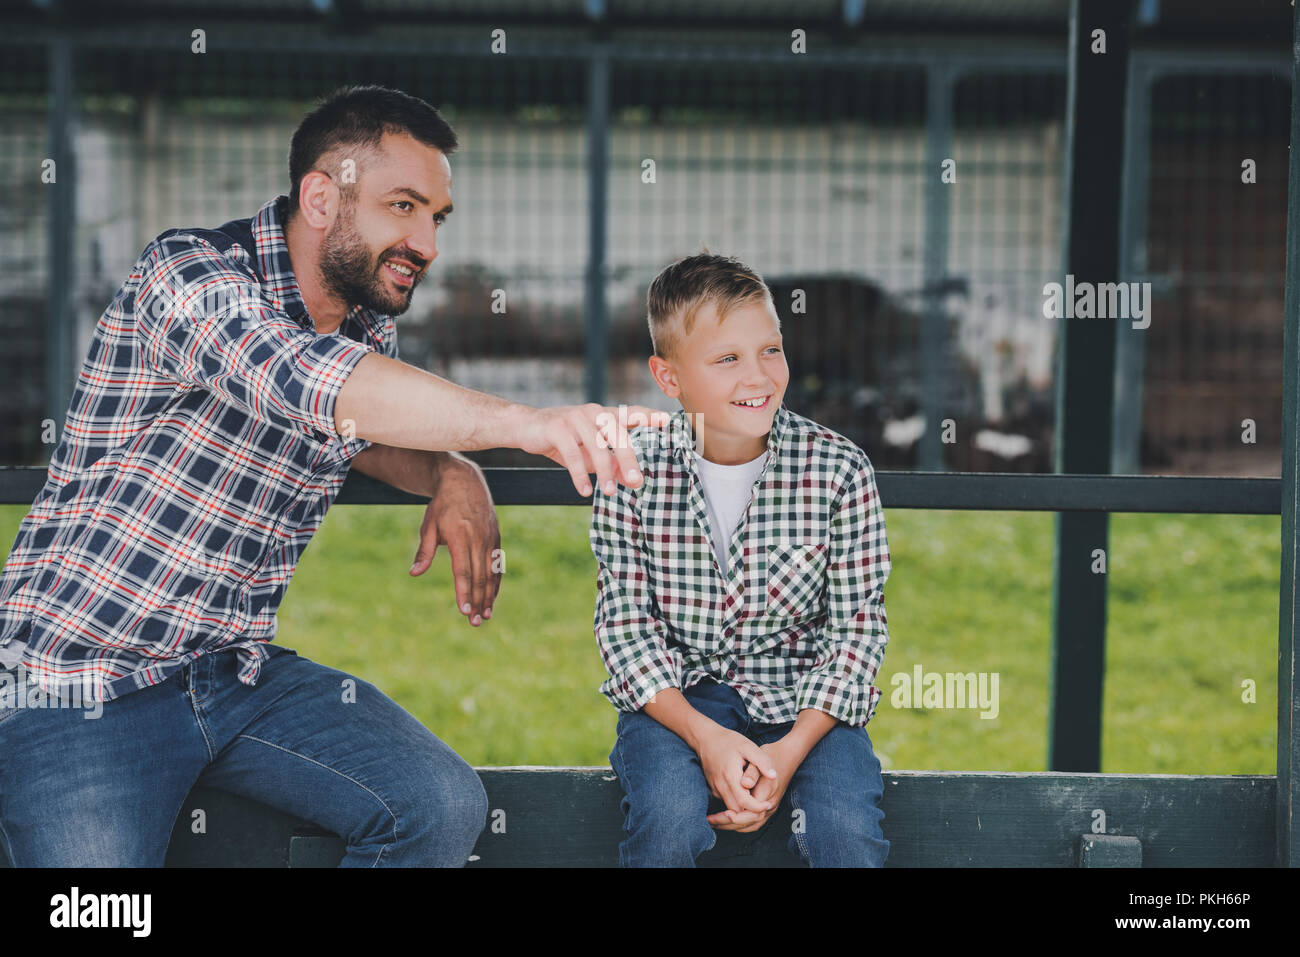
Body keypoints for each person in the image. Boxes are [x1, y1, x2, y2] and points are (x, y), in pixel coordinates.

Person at [0, 84, 659, 868]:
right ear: (320, 197)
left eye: (436, 216)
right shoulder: (188, 276)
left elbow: (359, 419)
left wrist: (448, 468)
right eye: (404, 205)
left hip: (234, 673)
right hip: (81, 683)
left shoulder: (359, 323)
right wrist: (533, 425)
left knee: (437, 805)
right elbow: (311, 384)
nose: (429, 242)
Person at [590, 252, 892, 867]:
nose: (758, 377)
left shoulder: (837, 470)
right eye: (727, 359)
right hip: (681, 704)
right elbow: (627, 635)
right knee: (667, 822)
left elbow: (858, 630)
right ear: (668, 377)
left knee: (845, 831)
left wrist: (786, 753)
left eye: (770, 350)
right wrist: (708, 738)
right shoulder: (629, 475)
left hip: (807, 705)